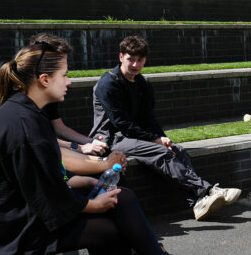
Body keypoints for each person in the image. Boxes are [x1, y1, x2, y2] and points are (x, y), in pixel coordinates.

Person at [0, 37, 221, 255]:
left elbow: (43, 178)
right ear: (44, 80)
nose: (69, 81)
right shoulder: (24, 123)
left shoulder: (24, 113)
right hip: (10, 233)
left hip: (17, 215)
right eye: (64, 75)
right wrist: (91, 204)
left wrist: (87, 183)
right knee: (109, 230)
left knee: (120, 198)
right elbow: (45, 197)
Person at [90, 36, 241, 221]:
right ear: (121, 57)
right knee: (162, 153)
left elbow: (149, 119)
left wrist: (162, 138)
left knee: (177, 150)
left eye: (140, 60)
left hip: (133, 136)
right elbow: (121, 123)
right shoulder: (108, 83)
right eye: (131, 59)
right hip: (112, 138)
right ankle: (208, 190)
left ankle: (197, 203)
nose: (135, 65)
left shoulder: (142, 84)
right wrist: (155, 140)